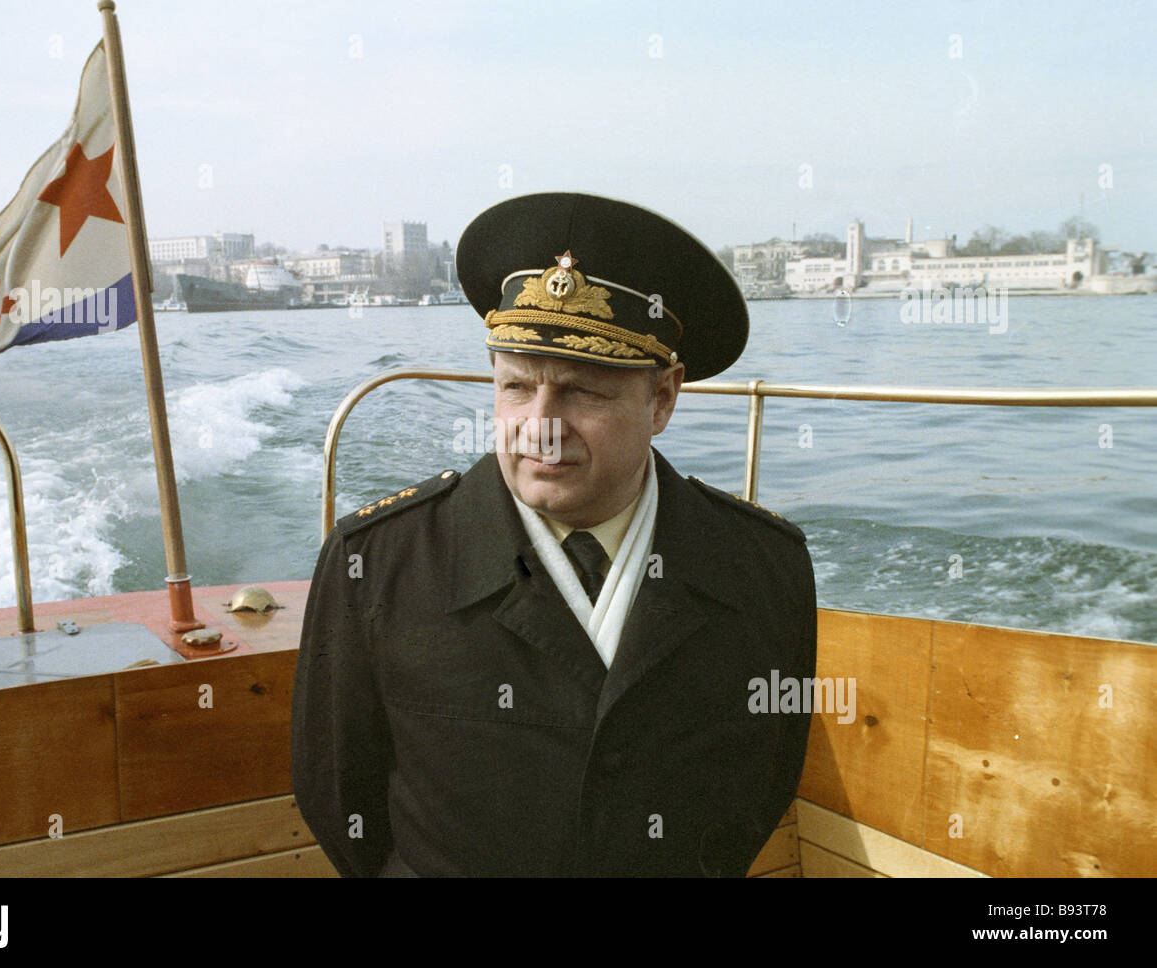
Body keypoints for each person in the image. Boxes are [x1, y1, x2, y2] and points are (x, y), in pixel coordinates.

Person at [292, 192, 817, 876]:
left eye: (581, 393)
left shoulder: (761, 568)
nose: (539, 425)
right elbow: (339, 798)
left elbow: (761, 786)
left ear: (662, 398)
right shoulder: (380, 564)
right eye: (516, 388)